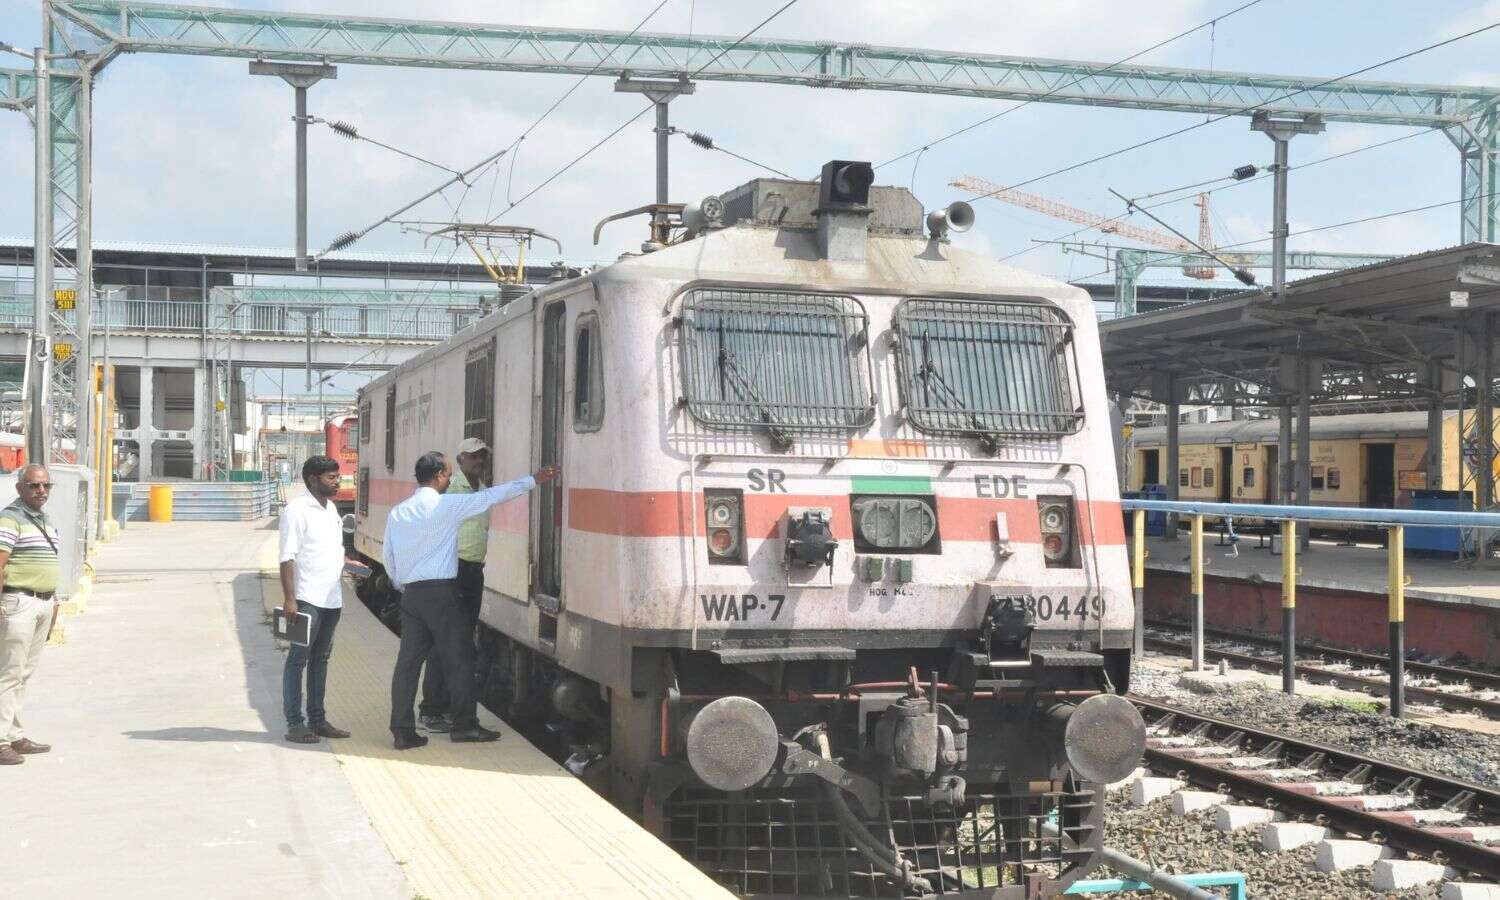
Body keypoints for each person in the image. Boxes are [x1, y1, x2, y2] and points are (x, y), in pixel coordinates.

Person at [385, 451, 557, 749]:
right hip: (441, 593)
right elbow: (492, 496)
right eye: (448, 474)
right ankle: (464, 725)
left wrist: (404, 586)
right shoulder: (447, 505)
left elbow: (389, 557)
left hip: (412, 595)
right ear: (438, 476)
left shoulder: (398, 512)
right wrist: (533, 480)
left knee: (408, 665)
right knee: (460, 659)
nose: (450, 479)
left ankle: (402, 731)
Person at [418, 437, 491, 734]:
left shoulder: (483, 491)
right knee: (443, 643)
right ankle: (431, 710)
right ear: (460, 460)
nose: (478, 462)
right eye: (473, 457)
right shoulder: (449, 491)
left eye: (482, 457)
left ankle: (449, 707)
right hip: (453, 571)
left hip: (474, 571)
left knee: (461, 645)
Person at [279, 455, 351, 744]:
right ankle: (295, 723)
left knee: (321, 659)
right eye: (331, 477)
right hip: (307, 598)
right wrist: (290, 599)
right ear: (312, 479)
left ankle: (318, 720)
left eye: (337, 476)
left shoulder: (331, 508)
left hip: (332, 598)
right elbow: (287, 557)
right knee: (298, 660)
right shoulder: (296, 510)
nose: (337, 481)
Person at [0, 464, 61, 766]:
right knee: (9, 674)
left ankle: (14, 735)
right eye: (35, 485)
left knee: (23, 674)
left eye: (46, 486)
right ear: (20, 488)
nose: (41, 491)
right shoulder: (10, 519)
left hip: (43, 604)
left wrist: (55, 602)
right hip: (19, 602)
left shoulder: (44, 520)